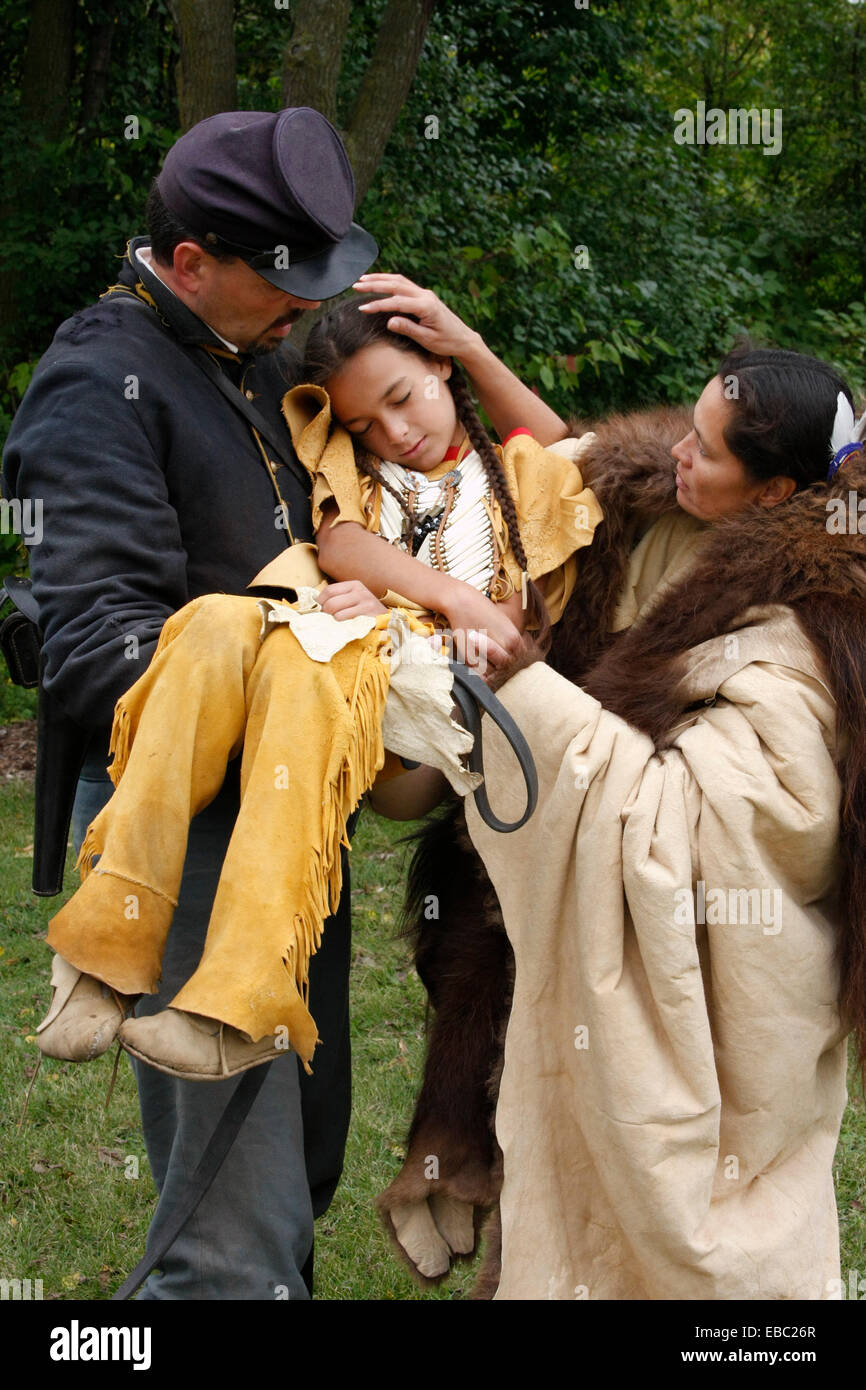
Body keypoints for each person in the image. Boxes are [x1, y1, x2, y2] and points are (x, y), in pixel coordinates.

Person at [364, 280, 866, 1300]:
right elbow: (563, 457)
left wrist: (528, 695)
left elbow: (730, 825)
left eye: (710, 448)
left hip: (725, 974)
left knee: (685, 1214)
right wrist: (463, 342)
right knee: (554, 1125)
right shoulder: (663, 502)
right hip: (558, 924)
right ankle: (468, 1164)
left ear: (774, 494)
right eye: (690, 424)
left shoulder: (816, 626)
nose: (682, 447)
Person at [2, 106, 385, 1302]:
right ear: (185, 263)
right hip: (183, 828)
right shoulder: (92, 382)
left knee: (298, 1154)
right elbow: (98, 651)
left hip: (276, 818)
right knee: (231, 1236)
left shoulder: (251, 353)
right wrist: (289, 648)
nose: (301, 310)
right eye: (281, 284)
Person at [32, 296, 603, 1088]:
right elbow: (335, 539)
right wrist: (396, 612)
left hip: (451, 720)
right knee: (210, 624)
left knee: (310, 656)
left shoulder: (514, 473)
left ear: (442, 366)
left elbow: (567, 475)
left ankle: (241, 996)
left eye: (403, 399)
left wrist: (470, 343)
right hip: (359, 675)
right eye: (367, 424)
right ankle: (106, 947)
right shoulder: (367, 478)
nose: (394, 433)